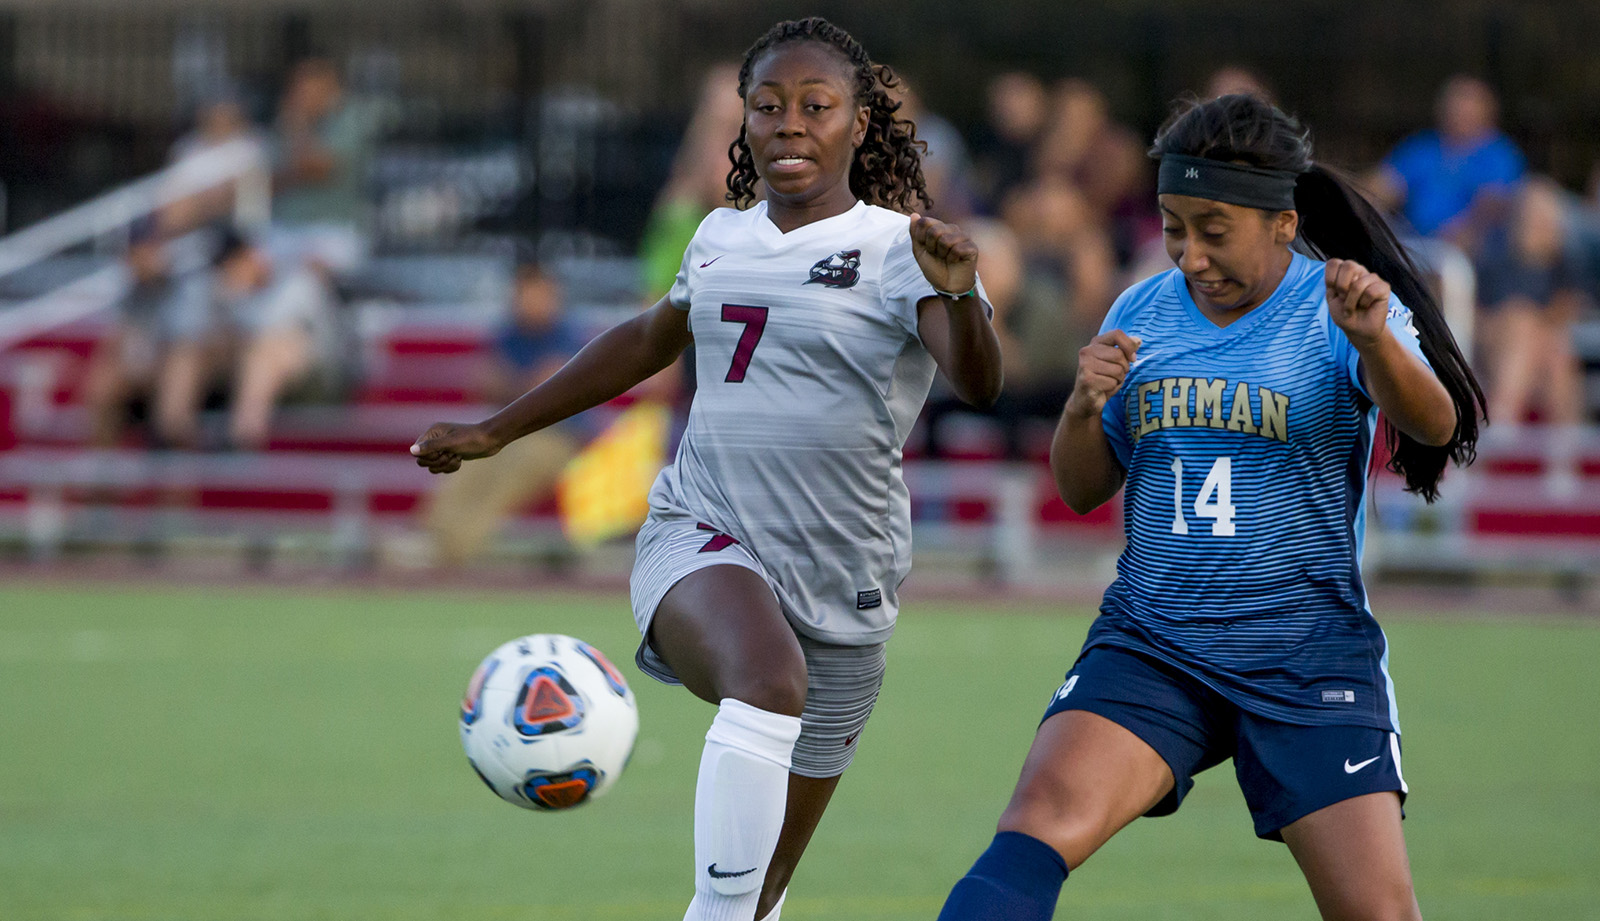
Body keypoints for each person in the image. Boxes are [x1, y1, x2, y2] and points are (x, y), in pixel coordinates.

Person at [411, 17, 1002, 921]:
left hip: (847, 578)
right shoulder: (720, 236)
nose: (789, 123)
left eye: (816, 105)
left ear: (858, 125)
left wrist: (959, 293)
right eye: (767, 106)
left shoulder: (901, 248)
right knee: (767, 683)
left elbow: (978, 379)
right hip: (702, 532)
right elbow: (646, 340)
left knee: (759, 889)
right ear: (745, 124)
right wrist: (499, 430)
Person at [937, 93, 1484, 921]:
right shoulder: (1140, 312)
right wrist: (1084, 407)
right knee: (1032, 830)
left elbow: (1434, 420)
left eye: (1214, 230)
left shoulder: (1340, 305)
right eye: (1173, 226)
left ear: (1280, 223)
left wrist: (1375, 339)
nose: (1191, 255)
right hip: (1155, 642)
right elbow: (1082, 488)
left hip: (1305, 655)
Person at [419, 260, 595, 565]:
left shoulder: (567, 332)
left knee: (514, 466)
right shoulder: (509, 332)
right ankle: (428, 538)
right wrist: (524, 384)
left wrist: (515, 383)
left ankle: (455, 549)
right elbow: (486, 381)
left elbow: (545, 391)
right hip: (510, 432)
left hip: (560, 438)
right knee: (464, 460)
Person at [1370, 75, 1524, 254]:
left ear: (1488, 113)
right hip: (1412, 242)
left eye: (1468, 106)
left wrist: (1462, 234)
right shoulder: (1422, 147)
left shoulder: (1499, 154)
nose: (1459, 113)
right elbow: (1381, 186)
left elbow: (1491, 207)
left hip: (1470, 251)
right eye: (1455, 105)